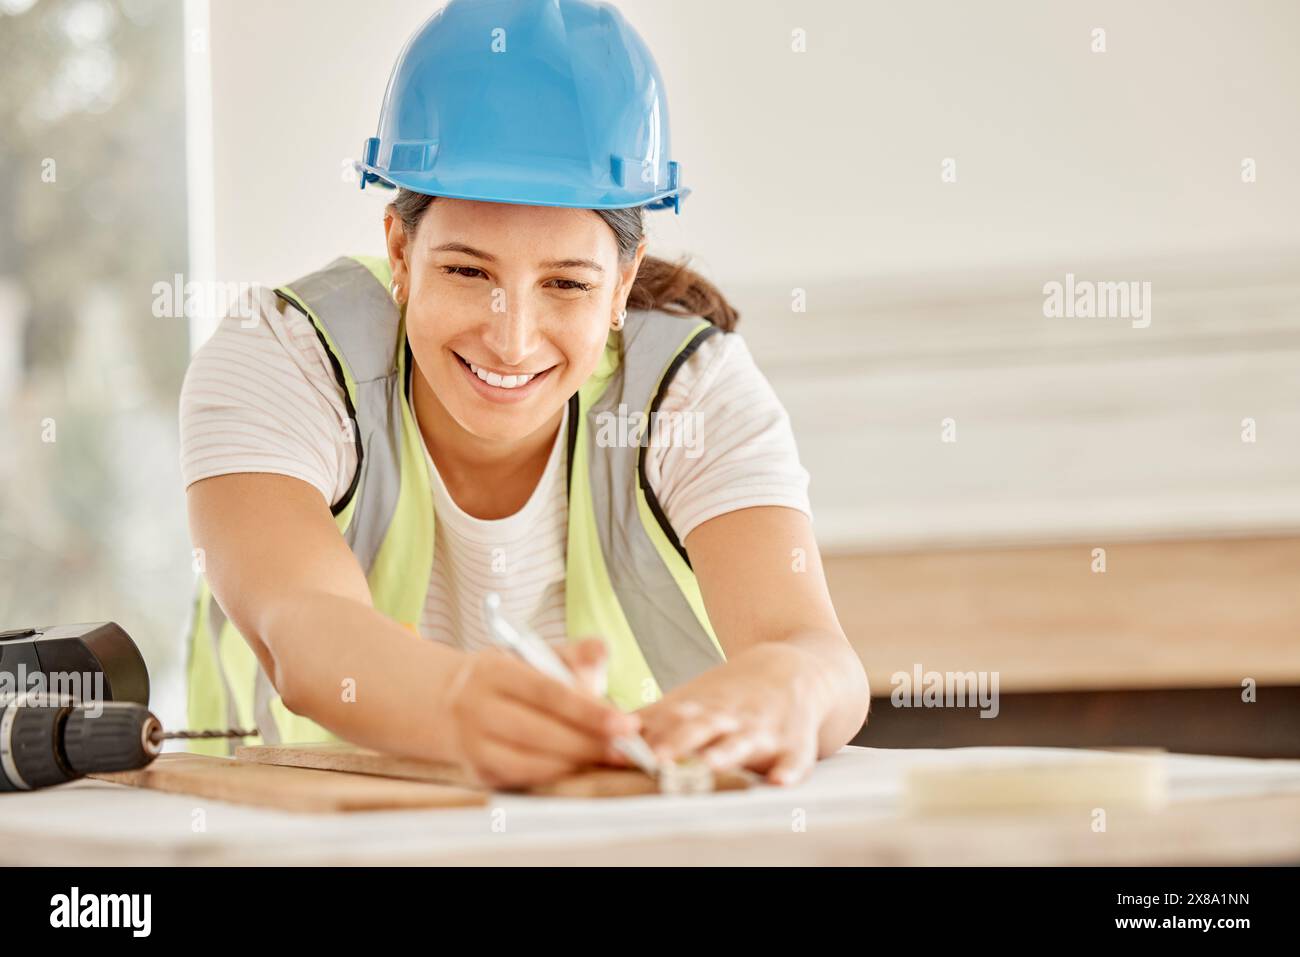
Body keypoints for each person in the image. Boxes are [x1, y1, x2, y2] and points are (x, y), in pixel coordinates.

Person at [179, 0, 869, 788]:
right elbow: (298, 628)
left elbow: (819, 656)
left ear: (623, 282)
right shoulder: (281, 357)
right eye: (468, 272)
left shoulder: (693, 394)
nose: (511, 339)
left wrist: (787, 689)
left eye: (567, 284)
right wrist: (456, 703)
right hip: (288, 840)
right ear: (400, 252)